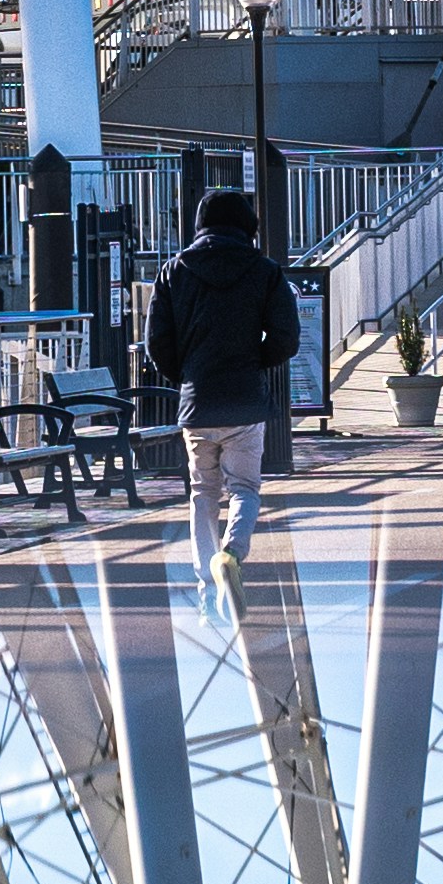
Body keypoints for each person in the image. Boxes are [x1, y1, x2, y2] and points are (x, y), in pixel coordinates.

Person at [144, 180, 300, 617]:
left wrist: (187, 375)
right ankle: (231, 553)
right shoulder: (265, 271)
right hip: (245, 401)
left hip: (198, 402)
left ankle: (205, 589)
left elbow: (157, 341)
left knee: (201, 492)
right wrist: (254, 361)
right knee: (244, 488)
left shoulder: (174, 270)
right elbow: (287, 338)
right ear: (246, 226)